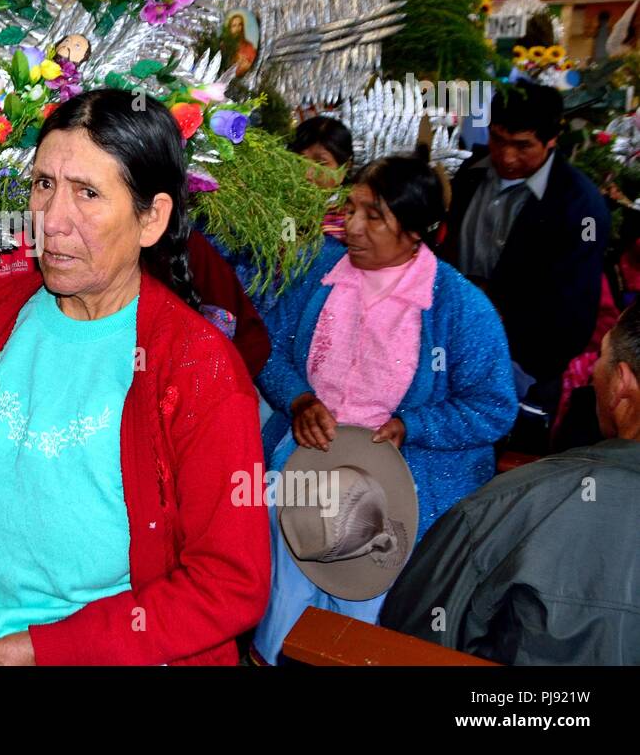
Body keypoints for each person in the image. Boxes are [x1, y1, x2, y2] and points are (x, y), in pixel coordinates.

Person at [0, 89, 270, 665]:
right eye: (43, 185)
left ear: (151, 218)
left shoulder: (197, 367)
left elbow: (230, 582)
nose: (52, 221)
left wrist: (45, 647)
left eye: (87, 193)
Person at [253, 156, 518, 664]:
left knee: (360, 605)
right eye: (350, 208)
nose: (351, 226)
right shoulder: (318, 275)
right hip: (309, 461)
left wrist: (413, 425)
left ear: (416, 231)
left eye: (374, 216)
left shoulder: (458, 307)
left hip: (397, 484)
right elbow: (267, 346)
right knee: (285, 584)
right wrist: (301, 400)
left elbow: (493, 407)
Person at [381, 303, 640, 665]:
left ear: (622, 383)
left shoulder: (511, 506)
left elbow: (410, 636)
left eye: (601, 357)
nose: (591, 372)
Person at [442, 80, 609, 452]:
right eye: (498, 139)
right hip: (454, 354)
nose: (506, 156)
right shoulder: (469, 176)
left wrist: (510, 362)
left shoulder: (579, 206)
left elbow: (574, 315)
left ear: (552, 140)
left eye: (522, 146)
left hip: (525, 370)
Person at [289, 116, 354, 242]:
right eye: (298, 161)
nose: (307, 173)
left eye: (321, 163)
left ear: (345, 168)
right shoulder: (287, 209)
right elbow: (285, 250)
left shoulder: (351, 218)